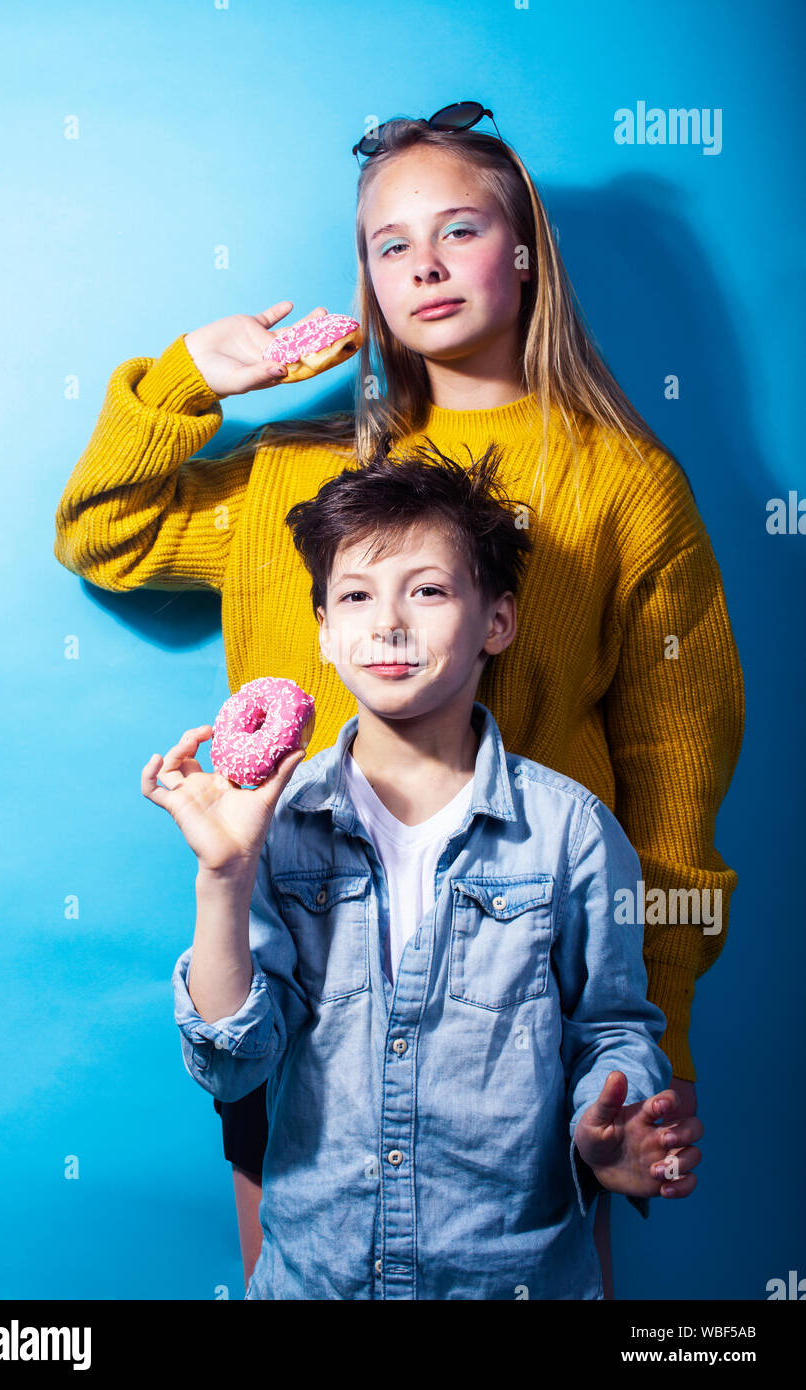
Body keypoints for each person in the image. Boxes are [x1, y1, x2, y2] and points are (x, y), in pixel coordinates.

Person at [53, 103, 744, 1296]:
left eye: (459, 230)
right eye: (388, 245)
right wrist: (185, 381)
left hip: (525, 1024)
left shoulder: (625, 484)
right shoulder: (295, 469)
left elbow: (675, 780)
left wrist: (647, 1051)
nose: (422, 265)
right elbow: (103, 535)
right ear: (366, 281)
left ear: (522, 251)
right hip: (301, 994)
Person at [142, 440, 703, 1300]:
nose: (390, 623)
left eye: (430, 590)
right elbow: (233, 1066)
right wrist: (224, 875)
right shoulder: (276, 824)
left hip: (514, 1275)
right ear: (325, 633)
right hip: (316, 1276)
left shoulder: (572, 832)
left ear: (499, 622)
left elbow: (612, 1026)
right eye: (357, 597)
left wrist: (608, 1127)